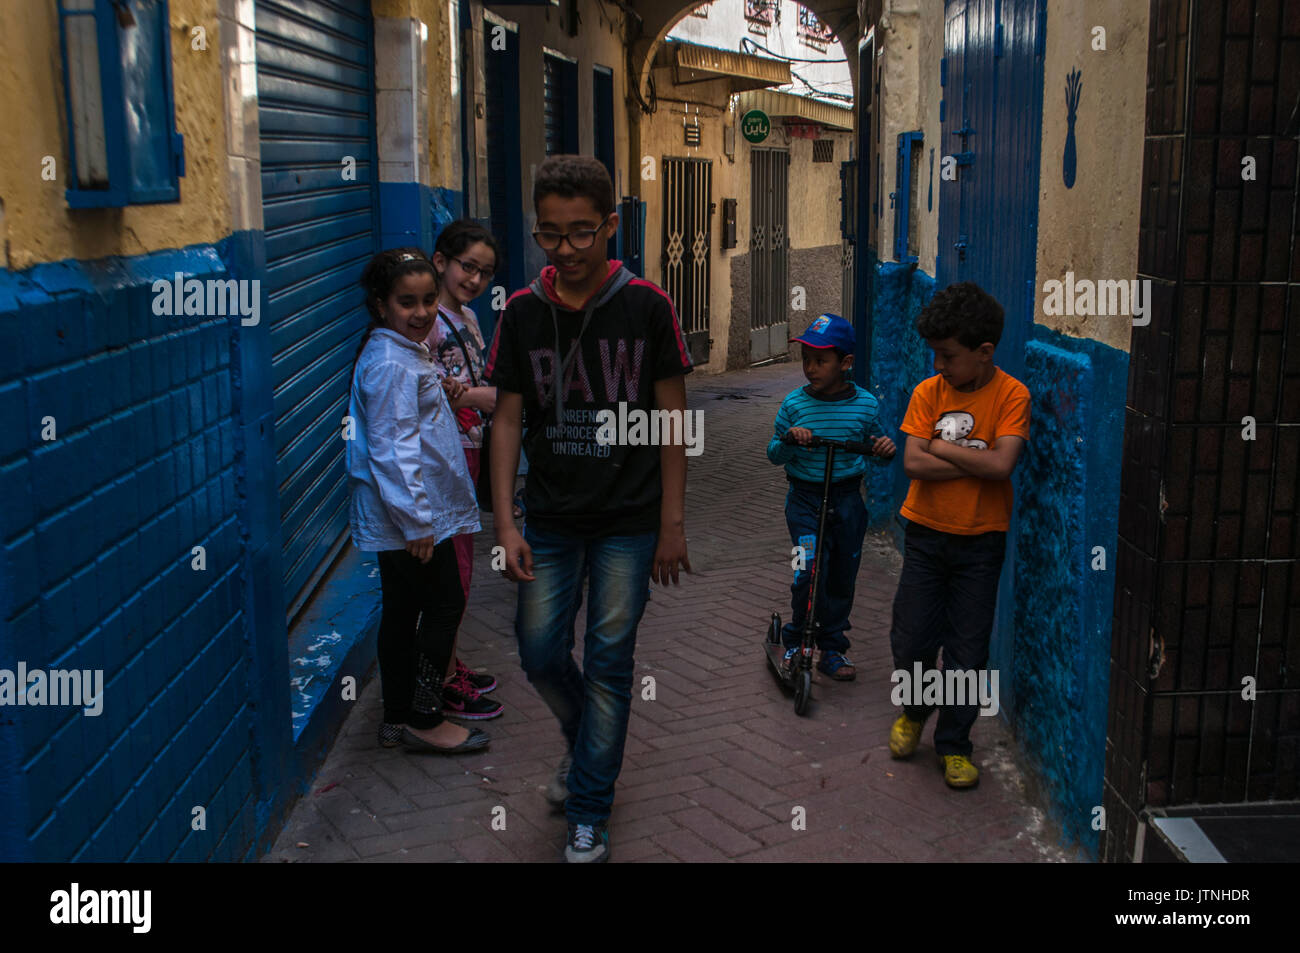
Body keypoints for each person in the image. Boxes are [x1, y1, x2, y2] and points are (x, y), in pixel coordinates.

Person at [485, 155, 693, 863]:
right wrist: (506, 523)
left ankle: (590, 806)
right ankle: (586, 743)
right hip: (547, 518)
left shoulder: (647, 306)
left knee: (608, 660)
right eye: (550, 234)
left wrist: (671, 523)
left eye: (581, 233)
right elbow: (507, 420)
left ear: (610, 225)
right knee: (540, 650)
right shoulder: (520, 312)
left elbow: (672, 420)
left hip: (629, 523)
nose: (566, 249)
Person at [886, 281, 1030, 789]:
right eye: (935, 355)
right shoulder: (929, 392)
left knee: (968, 652)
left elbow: (1002, 465)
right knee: (911, 639)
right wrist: (977, 460)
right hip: (924, 535)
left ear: (984, 352)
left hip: (980, 542)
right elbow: (912, 462)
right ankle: (914, 709)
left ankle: (954, 743)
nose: (939, 365)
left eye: (947, 356)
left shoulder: (1013, 395)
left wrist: (942, 450)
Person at [347, 247, 489, 754]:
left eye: (429, 299)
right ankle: (425, 719)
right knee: (444, 604)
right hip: (414, 520)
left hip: (411, 517)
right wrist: (417, 524)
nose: (423, 311)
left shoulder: (402, 352)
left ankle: (395, 716)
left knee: (403, 611)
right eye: (407, 302)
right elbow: (392, 450)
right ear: (381, 304)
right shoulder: (391, 363)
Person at [766, 314, 896, 682]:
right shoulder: (794, 405)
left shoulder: (866, 405)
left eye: (820, 360)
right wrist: (790, 439)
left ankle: (833, 647)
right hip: (804, 501)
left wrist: (885, 449)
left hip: (847, 502)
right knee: (807, 570)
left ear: (846, 363)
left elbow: (877, 444)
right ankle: (796, 638)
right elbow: (773, 453)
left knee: (841, 575)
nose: (810, 367)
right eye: (806, 359)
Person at [425, 220, 505, 721]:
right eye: (467, 267)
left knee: (462, 568)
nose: (474, 279)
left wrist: (476, 397)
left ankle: (449, 664)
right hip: (444, 455)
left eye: (485, 272)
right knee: (450, 573)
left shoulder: (470, 319)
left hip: (471, 449)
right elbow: (427, 392)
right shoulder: (425, 322)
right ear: (440, 262)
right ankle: (440, 679)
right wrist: (489, 398)